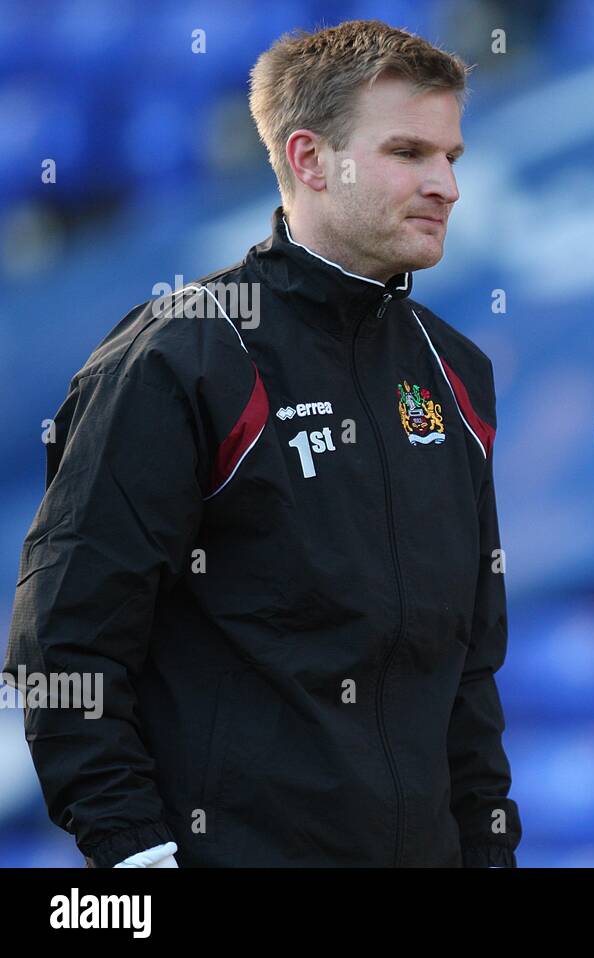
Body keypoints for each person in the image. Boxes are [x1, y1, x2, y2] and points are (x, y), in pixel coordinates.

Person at [4, 19, 521, 867]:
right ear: (310, 160)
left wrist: (491, 853)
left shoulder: (454, 373)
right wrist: (136, 855)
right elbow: (63, 648)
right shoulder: (182, 357)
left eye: (451, 157)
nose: (447, 185)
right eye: (408, 153)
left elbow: (466, 677)